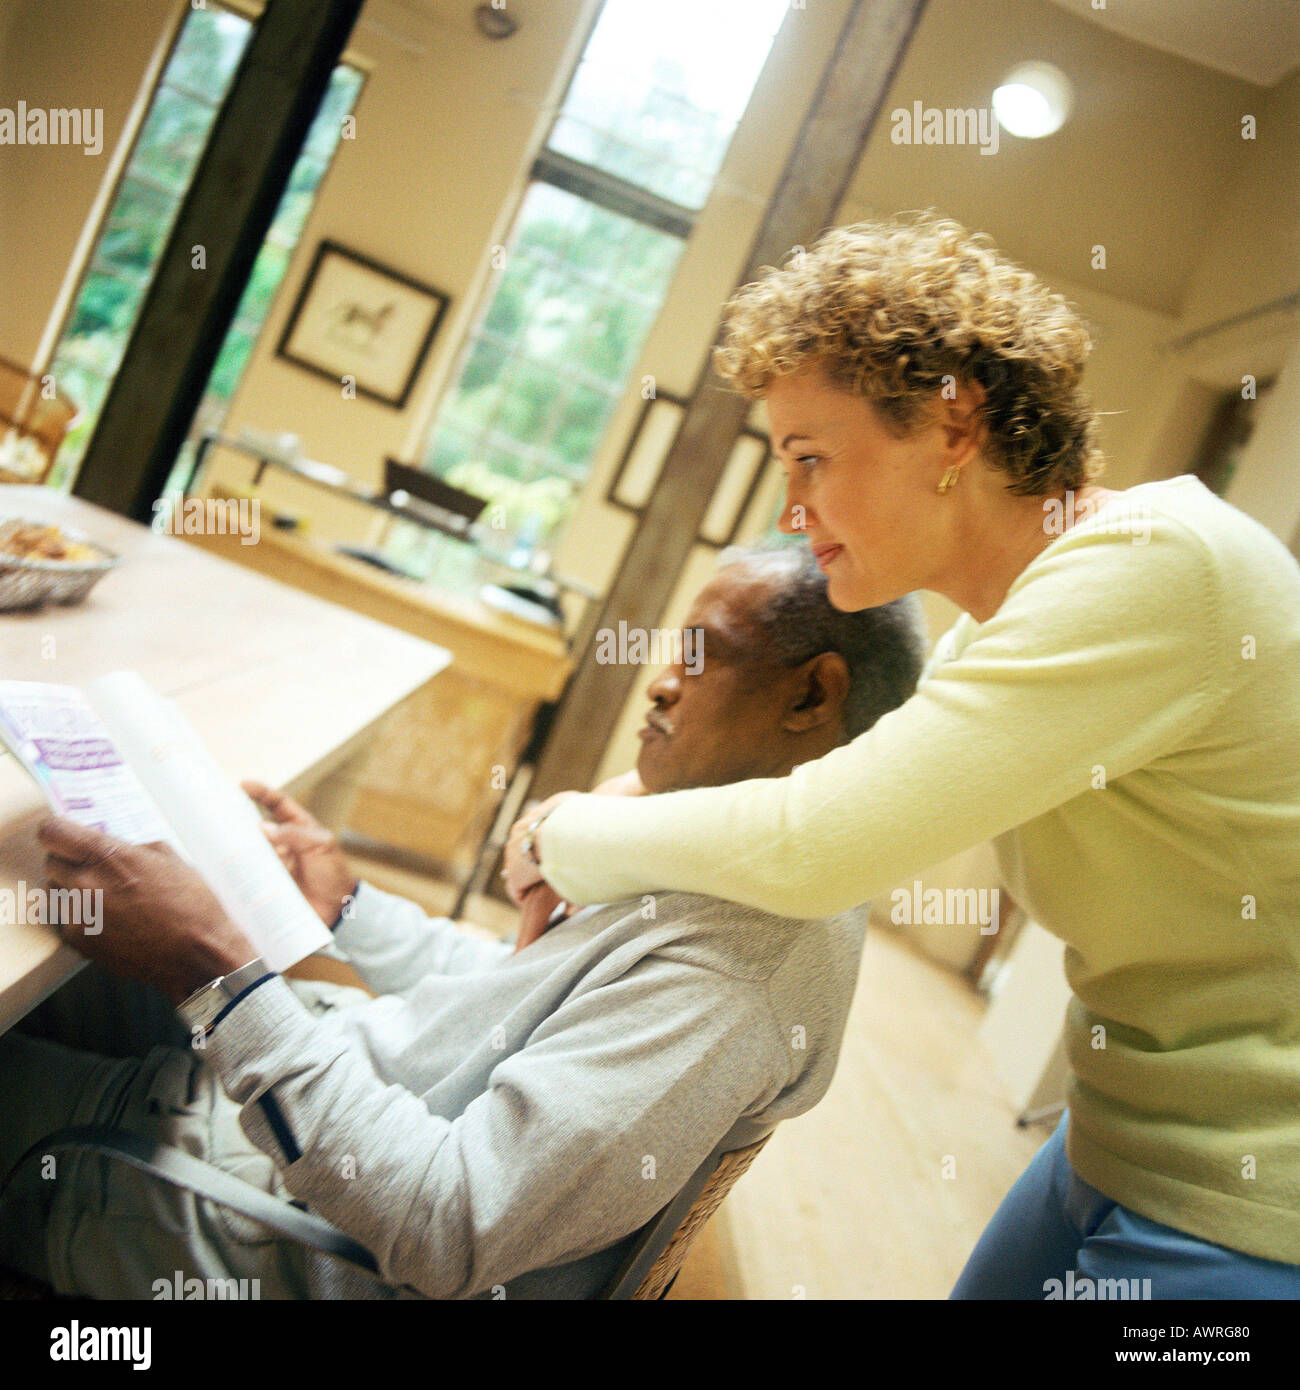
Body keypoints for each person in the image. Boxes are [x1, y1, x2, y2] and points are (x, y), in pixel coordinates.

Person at [505, 214, 1300, 1296]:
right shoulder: (1007, 619)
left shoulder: (1156, 573)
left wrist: (560, 833)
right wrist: (597, 802)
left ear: (952, 422)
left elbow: (818, 841)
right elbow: (826, 784)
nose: (795, 506)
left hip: (1257, 1204)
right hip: (1116, 1135)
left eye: (811, 457)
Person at [0, 547, 924, 1300]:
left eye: (699, 654)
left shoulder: (737, 969)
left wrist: (219, 974)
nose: (659, 685)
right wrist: (347, 910)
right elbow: (516, 1002)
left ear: (812, 696)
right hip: (314, 1107)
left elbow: (448, 1225)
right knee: (64, 928)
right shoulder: (740, 856)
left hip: (269, 1225)